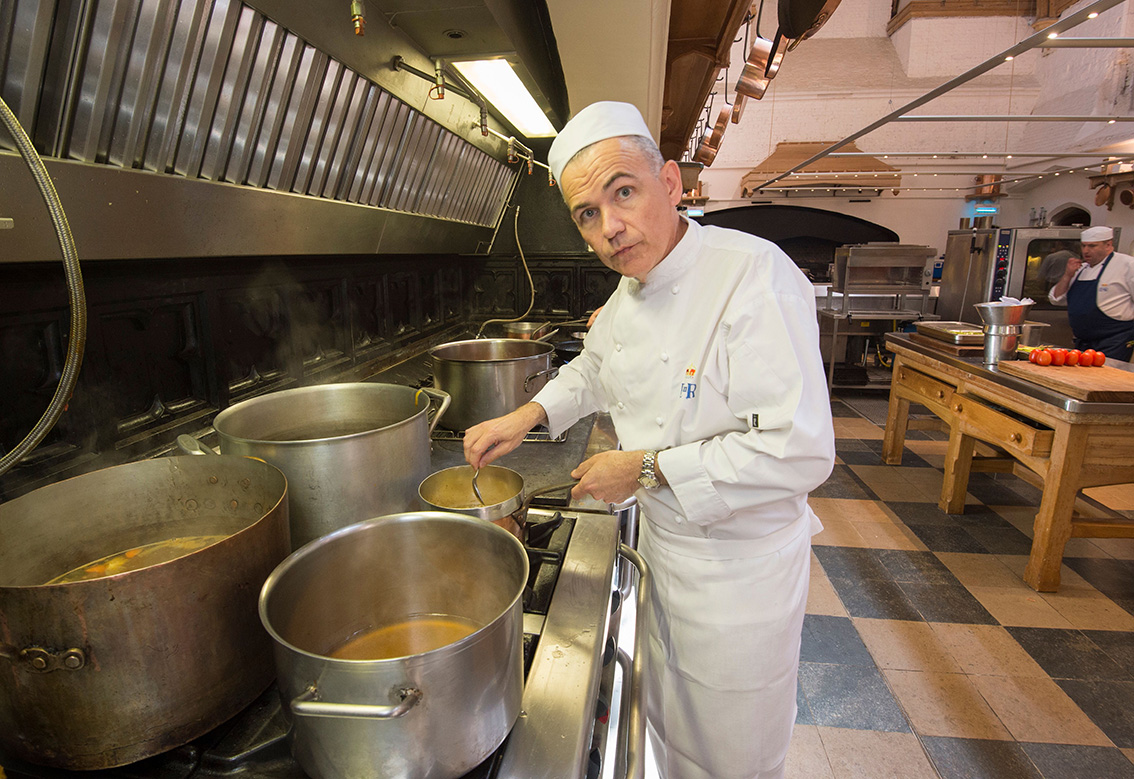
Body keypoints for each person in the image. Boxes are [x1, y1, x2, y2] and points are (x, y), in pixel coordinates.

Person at [463, 101, 835, 779]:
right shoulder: (630, 290)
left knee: (732, 757)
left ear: (670, 183)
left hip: (739, 578)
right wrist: (528, 414)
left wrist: (642, 470)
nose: (610, 226)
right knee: (668, 731)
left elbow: (797, 448)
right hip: (666, 554)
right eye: (587, 214)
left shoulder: (754, 275)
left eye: (623, 193)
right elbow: (594, 366)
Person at [1049, 225, 1134, 361]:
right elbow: (1056, 299)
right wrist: (1067, 275)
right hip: (1083, 341)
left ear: (1108, 245)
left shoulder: (1128, 265)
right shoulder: (1080, 269)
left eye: (1092, 246)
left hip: (1115, 341)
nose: (1086, 251)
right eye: (1083, 246)